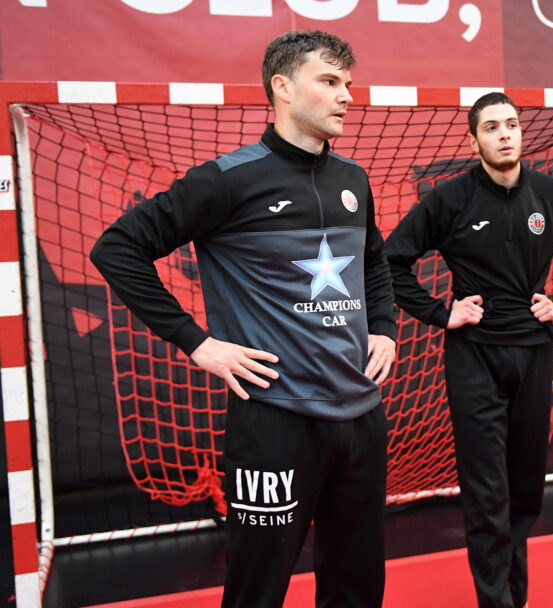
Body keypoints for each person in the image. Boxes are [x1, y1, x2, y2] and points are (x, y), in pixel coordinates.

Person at [90, 30, 395, 608]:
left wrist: (384, 326)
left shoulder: (353, 179)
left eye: (348, 84)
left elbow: (374, 261)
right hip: (275, 424)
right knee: (257, 590)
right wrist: (198, 343)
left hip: (361, 419)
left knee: (358, 588)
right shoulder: (228, 179)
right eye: (330, 81)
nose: (346, 96)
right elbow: (117, 248)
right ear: (283, 87)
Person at [383, 92, 553, 608]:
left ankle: (514, 596)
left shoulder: (549, 194)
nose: (504, 134)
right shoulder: (450, 199)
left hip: (534, 353)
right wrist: (441, 313)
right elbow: (390, 262)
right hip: (475, 356)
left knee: (525, 488)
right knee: (487, 489)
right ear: (474, 141)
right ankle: (496, 601)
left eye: (511, 125)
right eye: (491, 127)